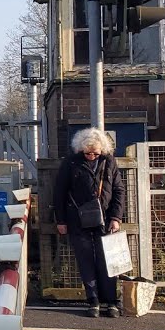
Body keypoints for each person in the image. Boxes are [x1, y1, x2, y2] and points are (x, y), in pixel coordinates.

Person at [53, 127, 126, 318]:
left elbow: (119, 190)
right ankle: (93, 300)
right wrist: (61, 220)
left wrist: (116, 218)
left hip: (105, 219)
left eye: (95, 152)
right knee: (85, 260)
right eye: (87, 153)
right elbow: (59, 192)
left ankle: (111, 300)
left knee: (107, 260)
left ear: (102, 150)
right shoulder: (70, 162)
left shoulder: (109, 162)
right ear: (80, 150)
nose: (92, 156)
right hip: (77, 219)